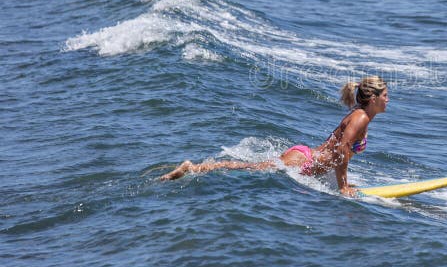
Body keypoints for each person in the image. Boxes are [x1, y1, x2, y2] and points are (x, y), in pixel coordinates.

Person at [159, 76, 389, 197]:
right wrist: (342, 187)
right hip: (305, 161)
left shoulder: (361, 116)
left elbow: (338, 152)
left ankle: (196, 168)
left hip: (307, 159)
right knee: (250, 168)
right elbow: (341, 151)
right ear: (373, 98)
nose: (388, 100)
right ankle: (193, 168)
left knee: (254, 167)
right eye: (385, 95)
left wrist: (342, 182)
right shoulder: (361, 118)